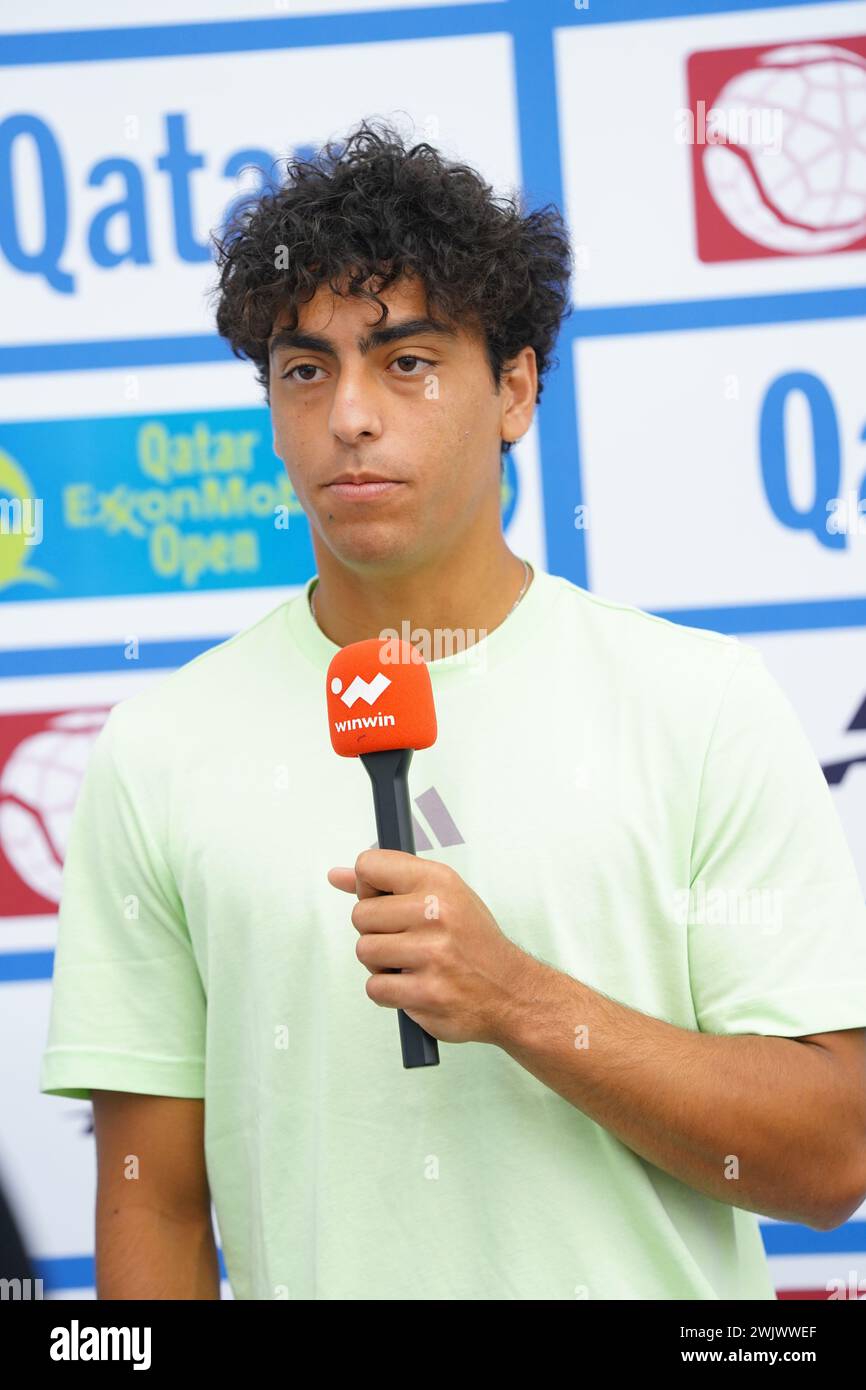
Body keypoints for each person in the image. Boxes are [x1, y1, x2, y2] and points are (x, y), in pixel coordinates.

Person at [39, 119, 866, 1301]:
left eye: (407, 362)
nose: (351, 416)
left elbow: (830, 1156)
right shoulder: (159, 749)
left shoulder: (700, 703)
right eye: (305, 369)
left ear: (516, 387)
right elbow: (154, 1198)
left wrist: (518, 1001)